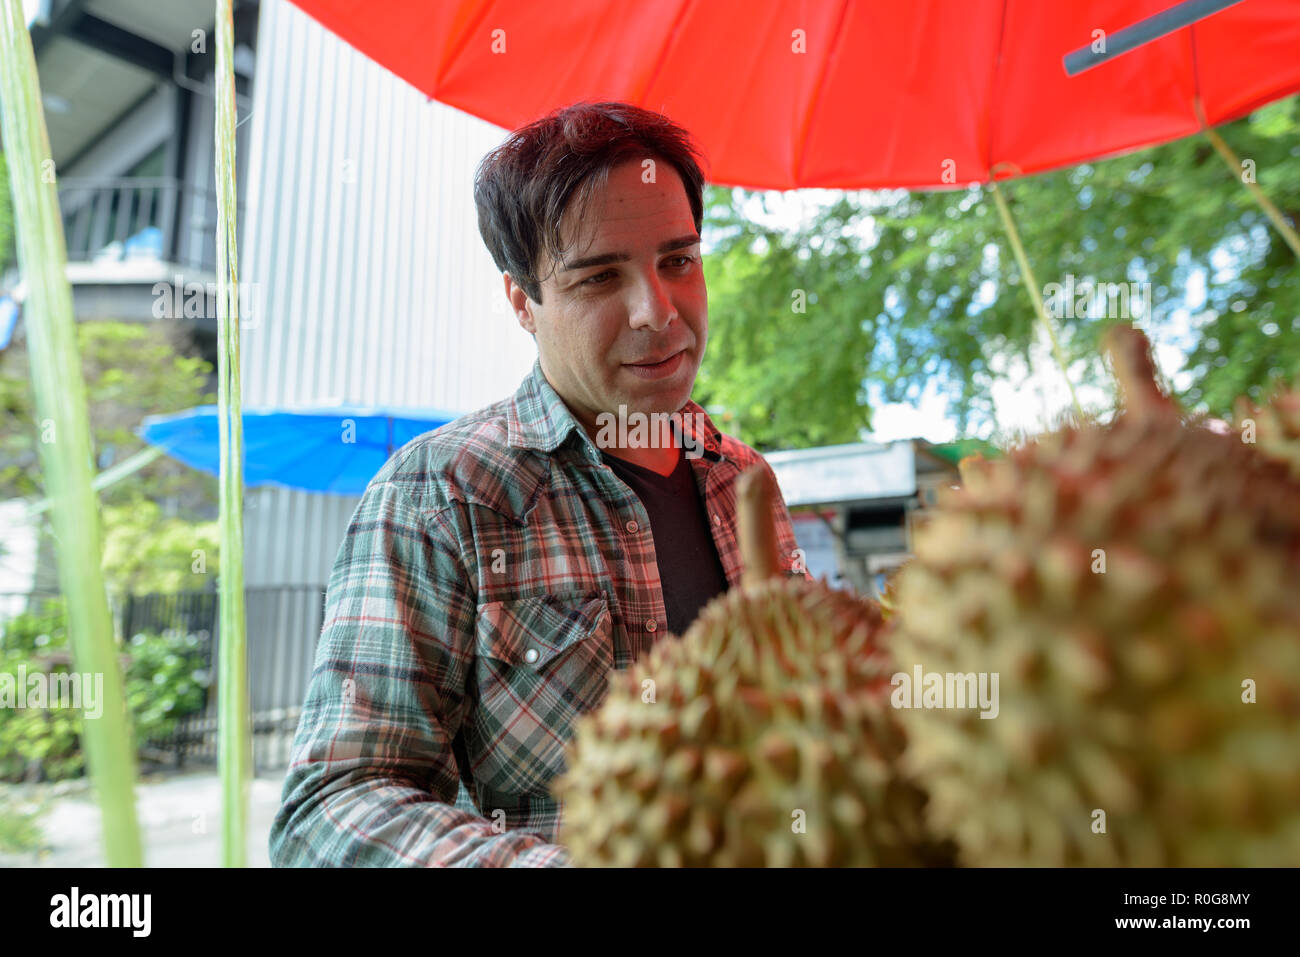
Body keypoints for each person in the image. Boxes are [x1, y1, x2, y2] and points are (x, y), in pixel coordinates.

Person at [269, 100, 805, 867]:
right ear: (523, 301)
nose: (656, 311)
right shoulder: (441, 495)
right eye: (599, 277)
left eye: (678, 260)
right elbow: (331, 806)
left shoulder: (745, 483)